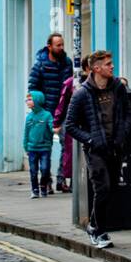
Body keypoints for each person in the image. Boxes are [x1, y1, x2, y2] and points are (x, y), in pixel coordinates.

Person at [63, 50, 131, 250]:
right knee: (102, 187)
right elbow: (70, 125)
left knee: (110, 188)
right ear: (96, 68)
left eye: (111, 63)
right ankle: (100, 230)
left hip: (116, 147)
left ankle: (94, 225)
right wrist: (90, 140)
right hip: (96, 150)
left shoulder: (118, 88)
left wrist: (124, 133)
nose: (112, 67)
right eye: (108, 64)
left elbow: (128, 113)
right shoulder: (82, 94)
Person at [51, 56, 86, 193]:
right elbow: (62, 104)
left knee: (72, 152)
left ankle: (70, 181)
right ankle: (62, 180)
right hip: (69, 122)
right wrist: (57, 122)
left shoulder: (87, 83)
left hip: (79, 121)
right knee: (67, 152)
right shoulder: (71, 83)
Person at [24, 90, 54, 198]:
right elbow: (26, 133)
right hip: (32, 148)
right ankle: (35, 190)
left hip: (45, 148)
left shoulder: (47, 115)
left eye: (30, 99)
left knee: (45, 169)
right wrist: (25, 146)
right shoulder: (29, 117)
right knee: (33, 170)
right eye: (27, 99)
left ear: (37, 100)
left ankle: (43, 186)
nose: (27, 101)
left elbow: (52, 127)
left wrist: (55, 129)